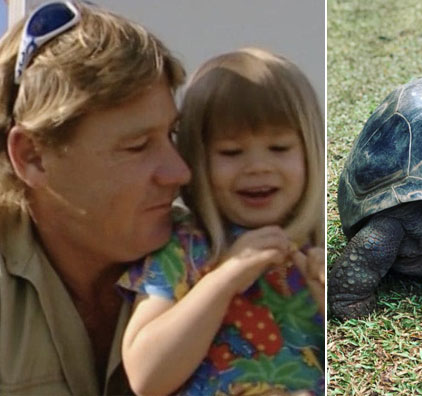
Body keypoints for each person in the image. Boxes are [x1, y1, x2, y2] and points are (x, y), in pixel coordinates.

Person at [0, 1, 190, 395]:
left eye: (171, 135)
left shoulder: (211, 256)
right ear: (33, 157)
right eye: (137, 146)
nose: (180, 173)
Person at [118, 48, 326, 396]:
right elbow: (145, 377)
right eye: (231, 152)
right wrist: (225, 279)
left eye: (279, 148)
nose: (258, 166)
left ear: (309, 151)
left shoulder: (320, 250)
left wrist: (330, 303)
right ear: (196, 159)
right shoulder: (182, 250)